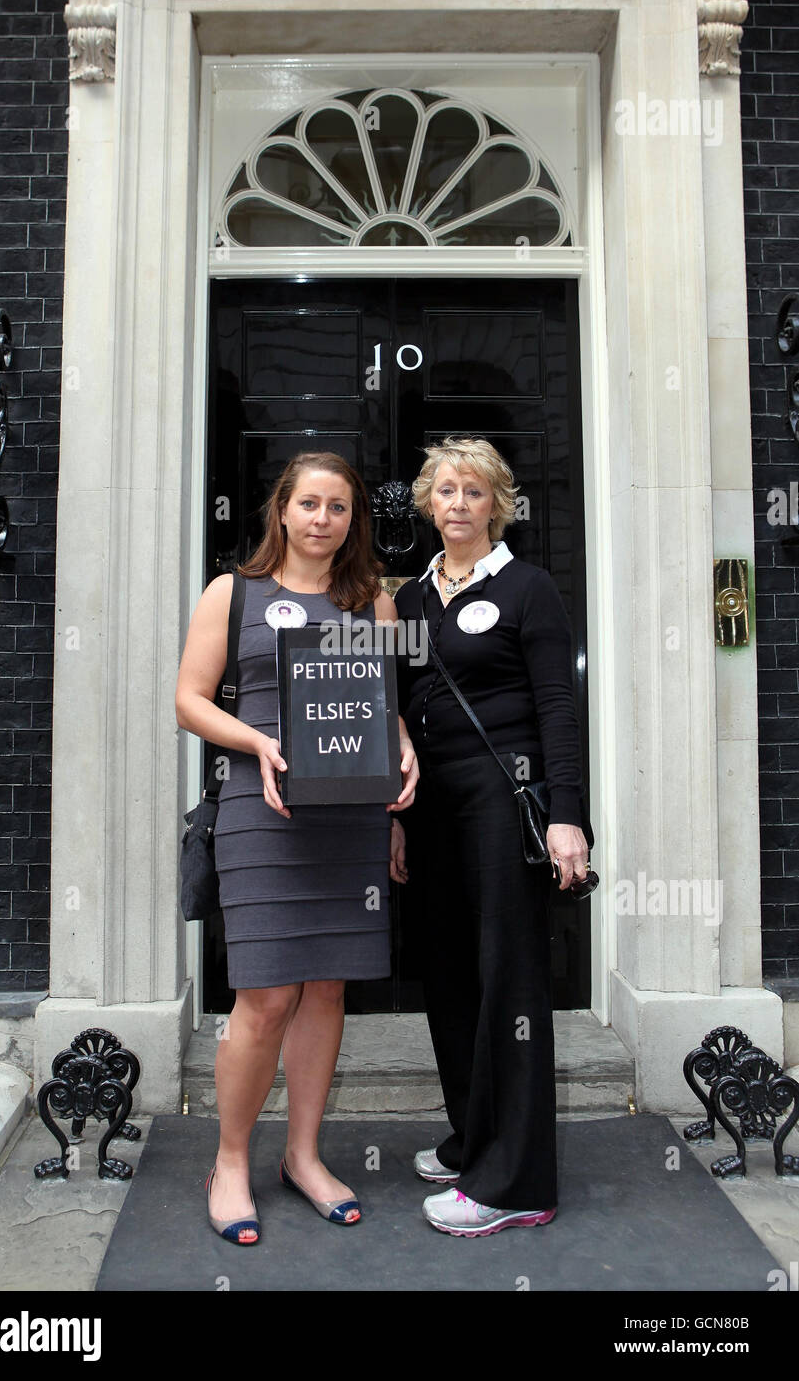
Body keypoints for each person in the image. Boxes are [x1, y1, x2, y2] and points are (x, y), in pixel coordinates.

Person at [175, 452, 418, 1245]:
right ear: (281, 511)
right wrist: (259, 741)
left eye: (338, 507)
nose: (322, 519)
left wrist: (403, 751)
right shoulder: (232, 593)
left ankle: (304, 1157)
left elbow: (382, 709)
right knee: (266, 996)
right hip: (261, 807)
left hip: (349, 816)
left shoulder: (374, 604)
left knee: (324, 991)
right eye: (308, 503)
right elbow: (187, 700)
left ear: (353, 520)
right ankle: (232, 1160)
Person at [391, 436, 591, 1237]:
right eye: (445, 490)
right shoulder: (409, 601)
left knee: (507, 982)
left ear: (496, 504)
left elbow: (557, 709)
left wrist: (568, 816)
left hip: (503, 802)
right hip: (430, 808)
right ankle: (476, 1136)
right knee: (448, 975)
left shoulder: (528, 589)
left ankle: (514, 1185)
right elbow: (396, 716)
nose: (459, 503)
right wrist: (395, 821)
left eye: (474, 491)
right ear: (427, 504)